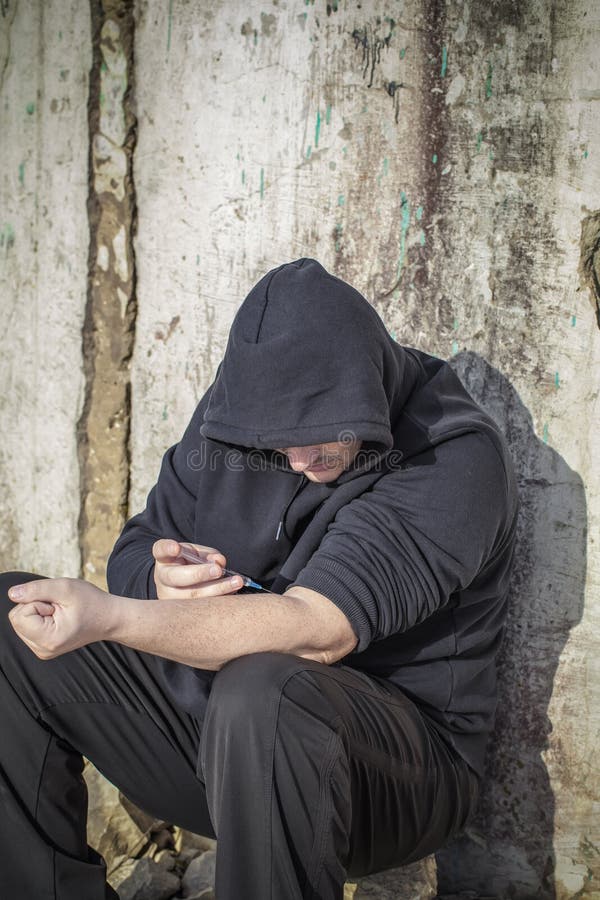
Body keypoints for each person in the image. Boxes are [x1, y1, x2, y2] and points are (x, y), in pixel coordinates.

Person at [0, 258, 519, 900]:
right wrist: (158, 585)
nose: (298, 460)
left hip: (390, 783)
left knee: (267, 685)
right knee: (9, 621)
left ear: (365, 386)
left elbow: (314, 631)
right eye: (278, 445)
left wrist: (114, 616)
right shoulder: (238, 417)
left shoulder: (453, 457)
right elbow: (138, 545)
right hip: (218, 748)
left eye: (322, 436)